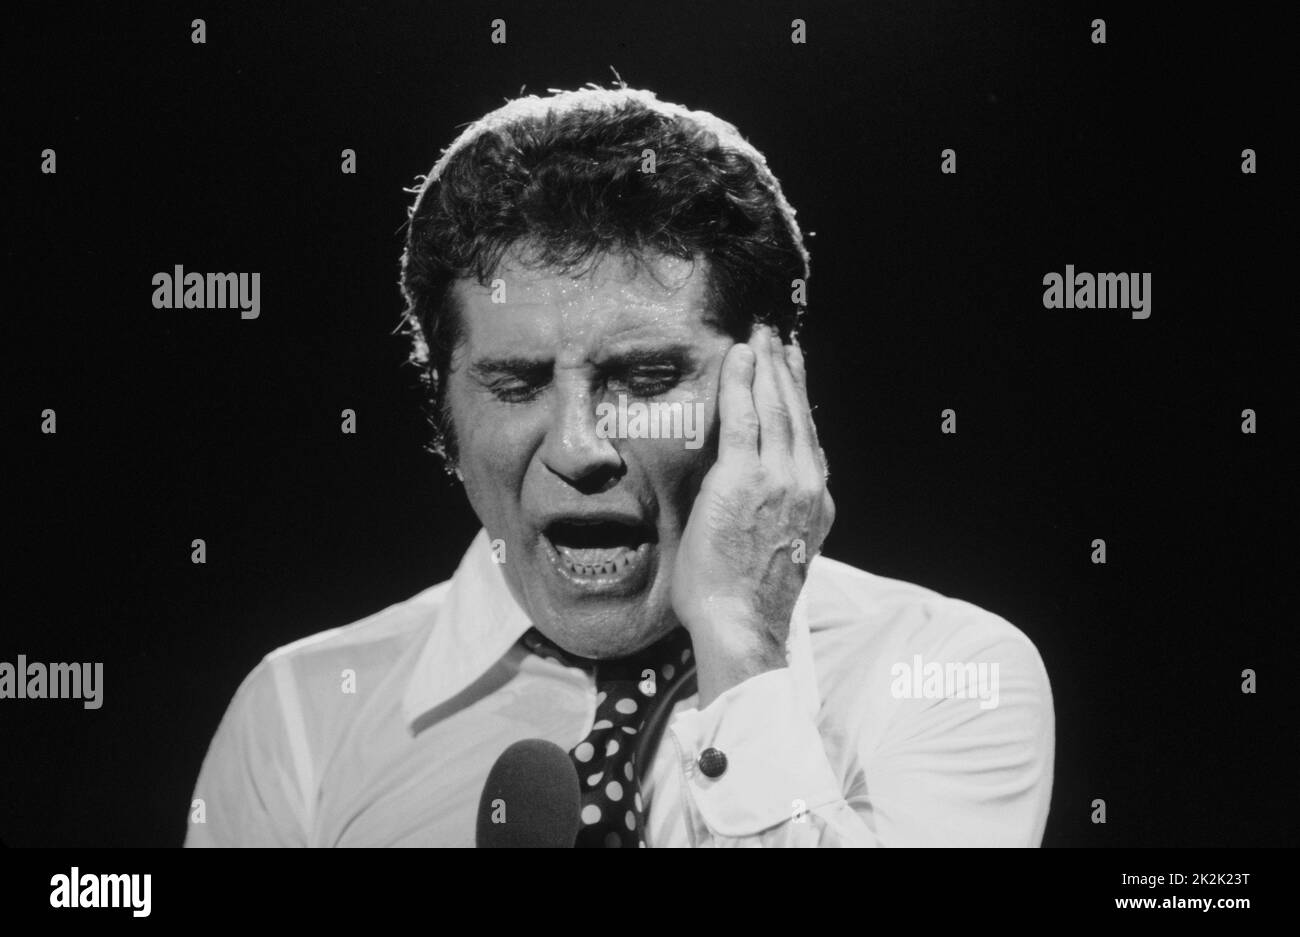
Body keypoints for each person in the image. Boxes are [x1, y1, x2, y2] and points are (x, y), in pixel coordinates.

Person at [184, 85, 1053, 847]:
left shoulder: (946, 675)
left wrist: (744, 651)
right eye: (516, 382)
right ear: (443, 420)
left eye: (643, 378)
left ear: (772, 388)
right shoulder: (298, 714)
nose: (577, 447)